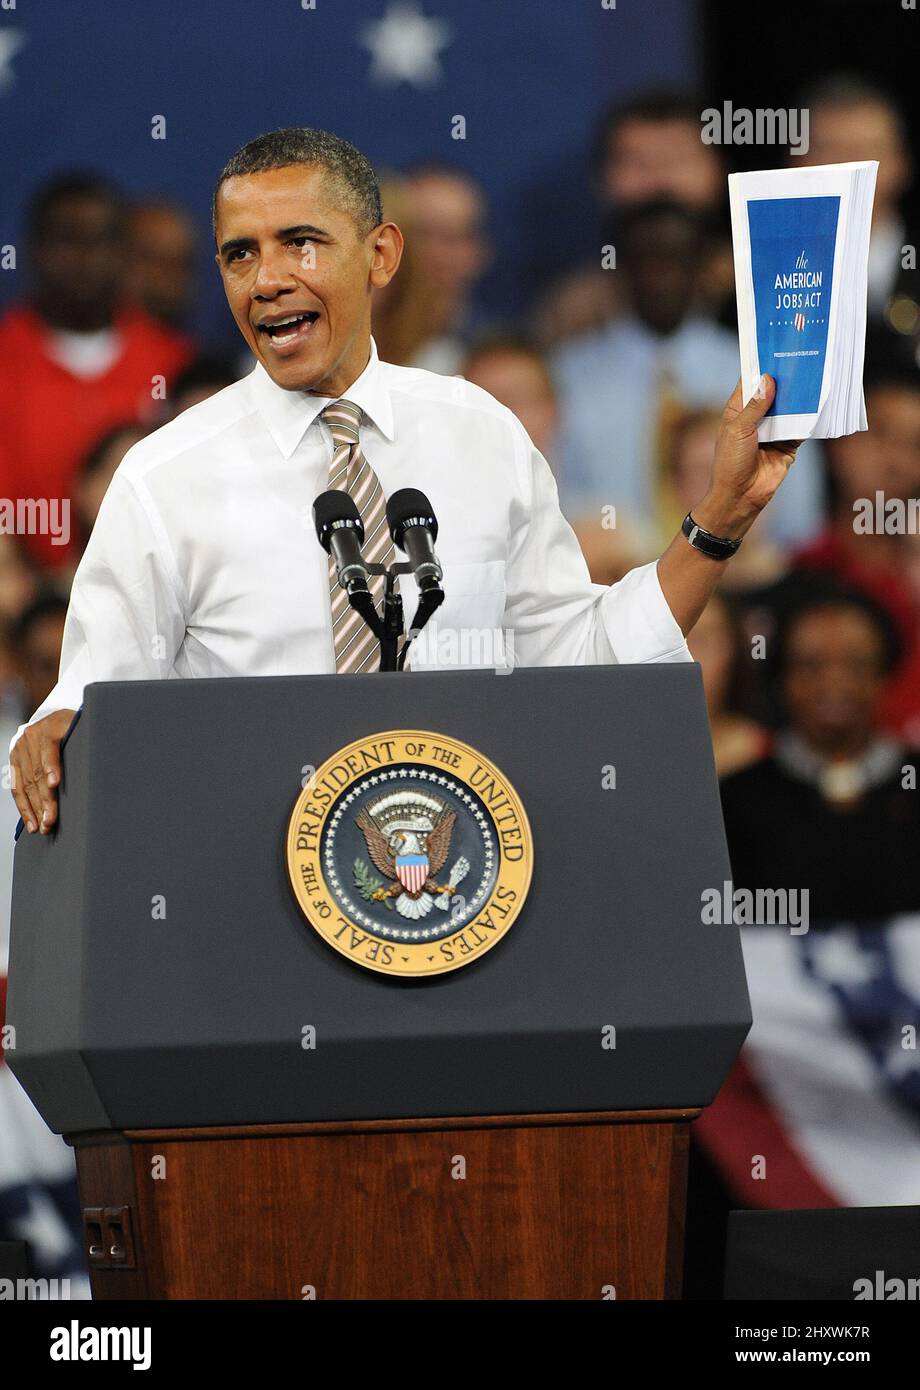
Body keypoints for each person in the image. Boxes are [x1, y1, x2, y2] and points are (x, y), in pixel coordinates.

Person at [9, 126, 802, 836]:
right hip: (249, 908)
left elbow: (584, 658)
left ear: (381, 255)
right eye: (239, 253)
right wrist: (54, 727)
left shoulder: (482, 435)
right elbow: (93, 700)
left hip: (466, 891)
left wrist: (720, 518)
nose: (268, 280)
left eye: (301, 242)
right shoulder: (163, 476)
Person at [551, 199, 823, 548]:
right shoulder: (566, 377)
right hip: (608, 583)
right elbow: (551, 502)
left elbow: (798, 518)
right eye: (646, 256)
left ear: (706, 265)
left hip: (738, 574)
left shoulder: (761, 373)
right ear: (616, 264)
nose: (662, 272)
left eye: (678, 256)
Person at [0, 174, 194, 572]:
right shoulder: (6, 359)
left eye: (100, 240)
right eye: (66, 240)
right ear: (34, 250)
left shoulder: (175, 364)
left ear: (124, 252)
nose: (84, 257)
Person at [720, 587, 920, 920]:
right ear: (782, 678)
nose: (835, 682)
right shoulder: (737, 800)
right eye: (812, 666)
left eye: (856, 665)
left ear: (884, 674)